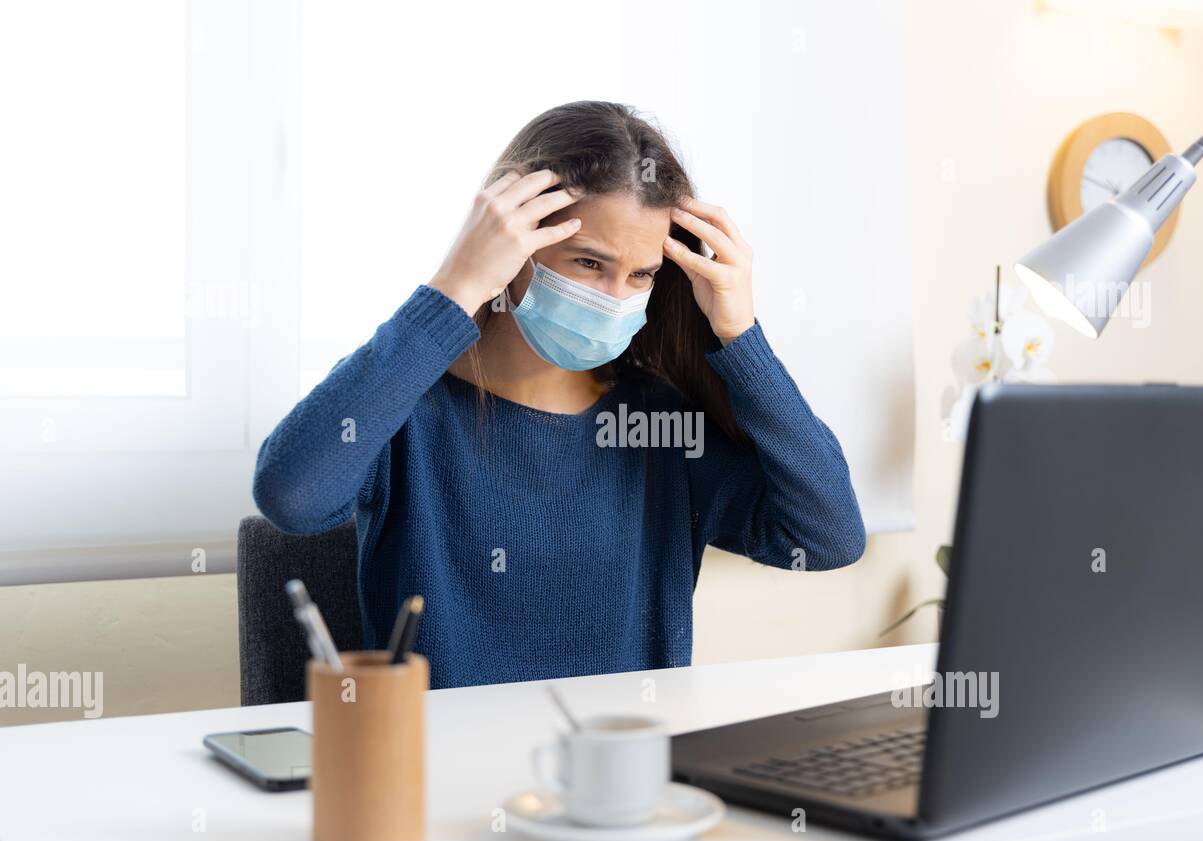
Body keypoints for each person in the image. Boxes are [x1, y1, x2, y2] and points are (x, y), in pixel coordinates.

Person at [253, 101, 865, 689]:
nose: (615, 295)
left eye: (642, 274)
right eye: (588, 263)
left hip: (620, 776)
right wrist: (454, 286)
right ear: (513, 243)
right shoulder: (406, 403)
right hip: (447, 774)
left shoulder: (659, 423)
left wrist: (742, 338)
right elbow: (292, 495)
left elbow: (827, 538)